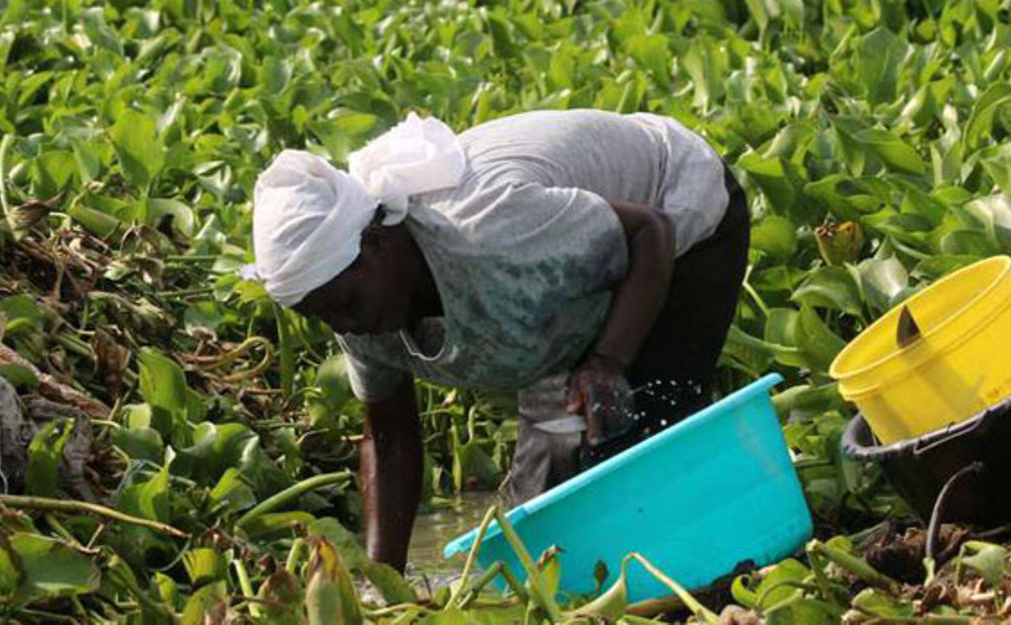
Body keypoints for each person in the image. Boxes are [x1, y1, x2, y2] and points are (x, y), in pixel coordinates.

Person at [249, 109, 749, 572]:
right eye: (321, 316)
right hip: (567, 275)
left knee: (635, 451)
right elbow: (389, 435)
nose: (344, 325)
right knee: (542, 513)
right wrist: (385, 582)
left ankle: (722, 561)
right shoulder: (357, 307)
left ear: (377, 244)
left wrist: (607, 361)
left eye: (344, 303)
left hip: (674, 215)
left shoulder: (488, 232)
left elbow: (650, 232)